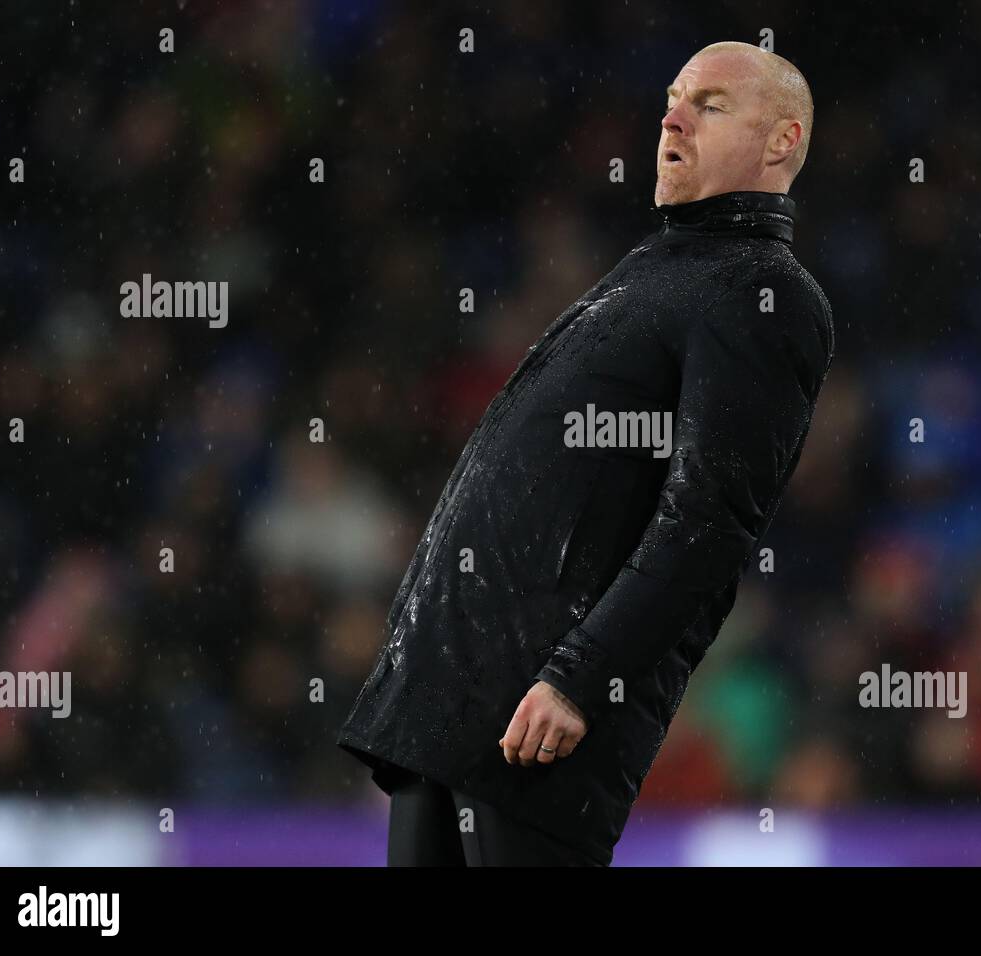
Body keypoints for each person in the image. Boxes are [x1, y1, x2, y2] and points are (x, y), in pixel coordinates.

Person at [338, 40, 835, 866]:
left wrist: (581, 675)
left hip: (534, 725)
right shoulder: (659, 268)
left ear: (782, 141)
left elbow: (710, 520)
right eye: (674, 98)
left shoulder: (762, 290)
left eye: (710, 103)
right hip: (458, 713)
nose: (672, 117)